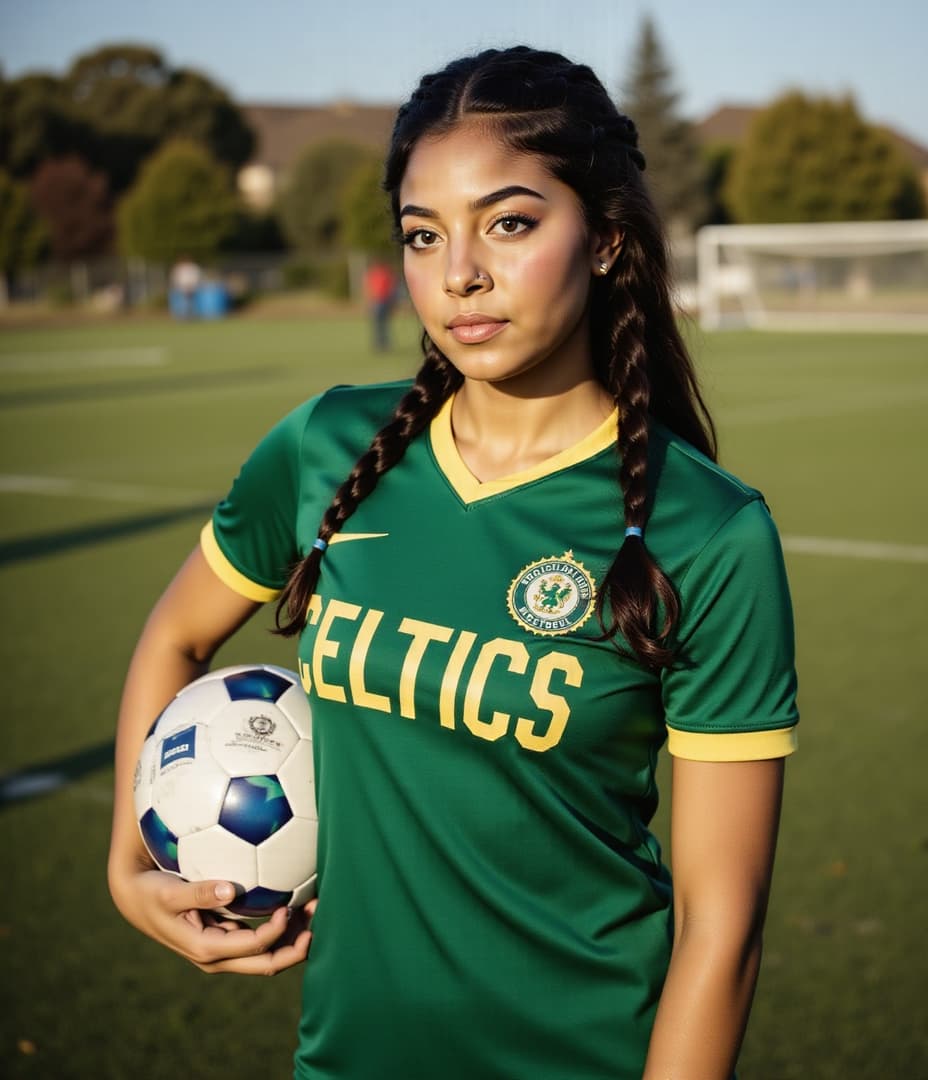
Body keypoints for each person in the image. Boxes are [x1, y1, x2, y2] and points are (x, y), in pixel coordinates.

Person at [108, 45, 798, 1079]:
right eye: (423, 236)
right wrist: (129, 866)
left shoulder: (709, 531)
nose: (459, 272)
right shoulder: (326, 448)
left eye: (508, 224)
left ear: (607, 239)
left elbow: (719, 926)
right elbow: (177, 634)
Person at [363, 257, 397, 350]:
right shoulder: (376, 274)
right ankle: (380, 343)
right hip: (377, 302)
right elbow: (368, 289)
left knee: (382, 325)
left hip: (383, 302)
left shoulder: (384, 274)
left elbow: (390, 289)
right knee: (378, 325)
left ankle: (383, 343)